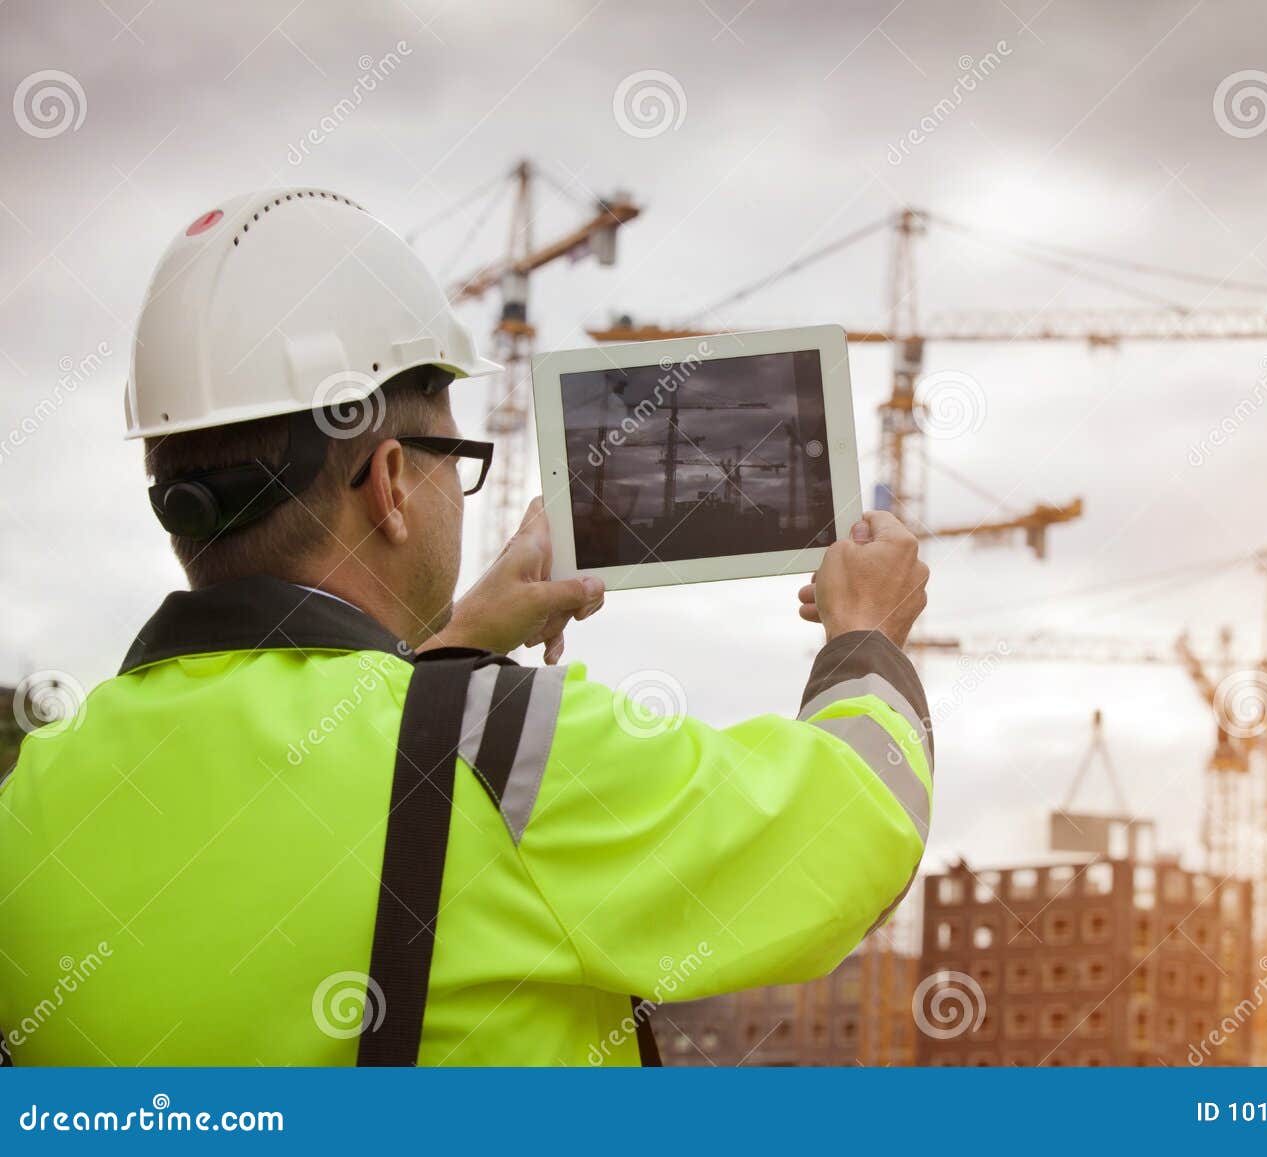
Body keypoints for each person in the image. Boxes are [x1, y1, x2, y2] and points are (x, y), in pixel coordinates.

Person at [0, 188, 932, 1066]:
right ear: (391, 482)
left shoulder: (35, 789)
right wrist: (866, 636)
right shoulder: (511, 748)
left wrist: (449, 657)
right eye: (457, 456)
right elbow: (848, 835)